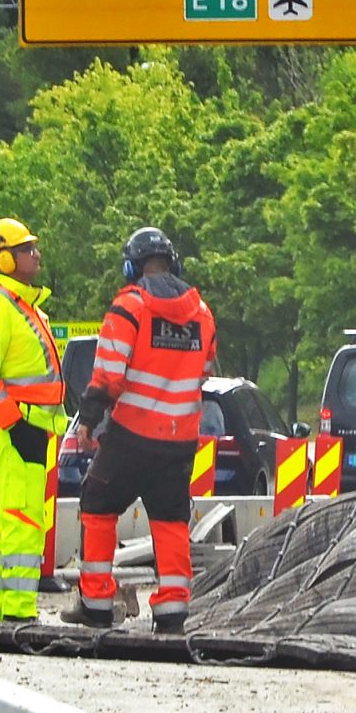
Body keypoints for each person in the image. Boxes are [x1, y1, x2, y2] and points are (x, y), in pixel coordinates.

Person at [73, 226, 217, 633]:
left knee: (98, 502)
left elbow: (107, 375)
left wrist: (88, 418)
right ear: (174, 264)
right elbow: (205, 370)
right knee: (170, 519)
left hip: (131, 435)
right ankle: (172, 611)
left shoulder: (129, 306)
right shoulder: (202, 314)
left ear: (131, 267)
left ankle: (97, 603)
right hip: (179, 440)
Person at [0, 217, 66, 622]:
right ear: (4, 259)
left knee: (15, 516)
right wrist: (13, 423)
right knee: (23, 516)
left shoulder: (25, 307)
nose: (35, 254)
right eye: (27, 249)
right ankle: (19, 611)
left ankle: (0, 609)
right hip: (16, 429)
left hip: (32, 428)